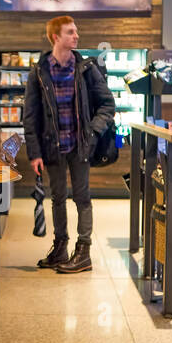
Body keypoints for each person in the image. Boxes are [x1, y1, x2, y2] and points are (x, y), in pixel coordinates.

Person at [24, 16, 115, 274]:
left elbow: (108, 104)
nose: (76, 36)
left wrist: (93, 132)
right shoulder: (39, 71)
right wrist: (34, 153)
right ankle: (60, 247)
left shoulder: (86, 68)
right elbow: (31, 116)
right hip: (52, 146)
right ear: (56, 37)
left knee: (83, 198)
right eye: (70, 32)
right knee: (58, 198)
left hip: (79, 146)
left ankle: (83, 251)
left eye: (76, 31)